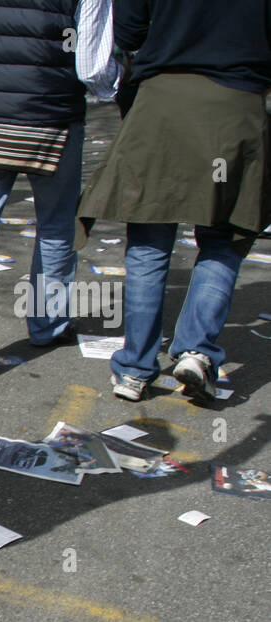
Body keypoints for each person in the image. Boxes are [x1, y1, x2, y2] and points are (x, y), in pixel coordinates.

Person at [77, 0, 271, 403]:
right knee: (224, 236)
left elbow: (127, 30)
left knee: (149, 240)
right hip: (237, 102)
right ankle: (197, 351)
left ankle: (134, 369)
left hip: (162, 101)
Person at [0, 0, 120, 381]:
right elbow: (91, 65)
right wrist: (115, 80)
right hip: (52, 116)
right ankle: (47, 324)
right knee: (55, 224)